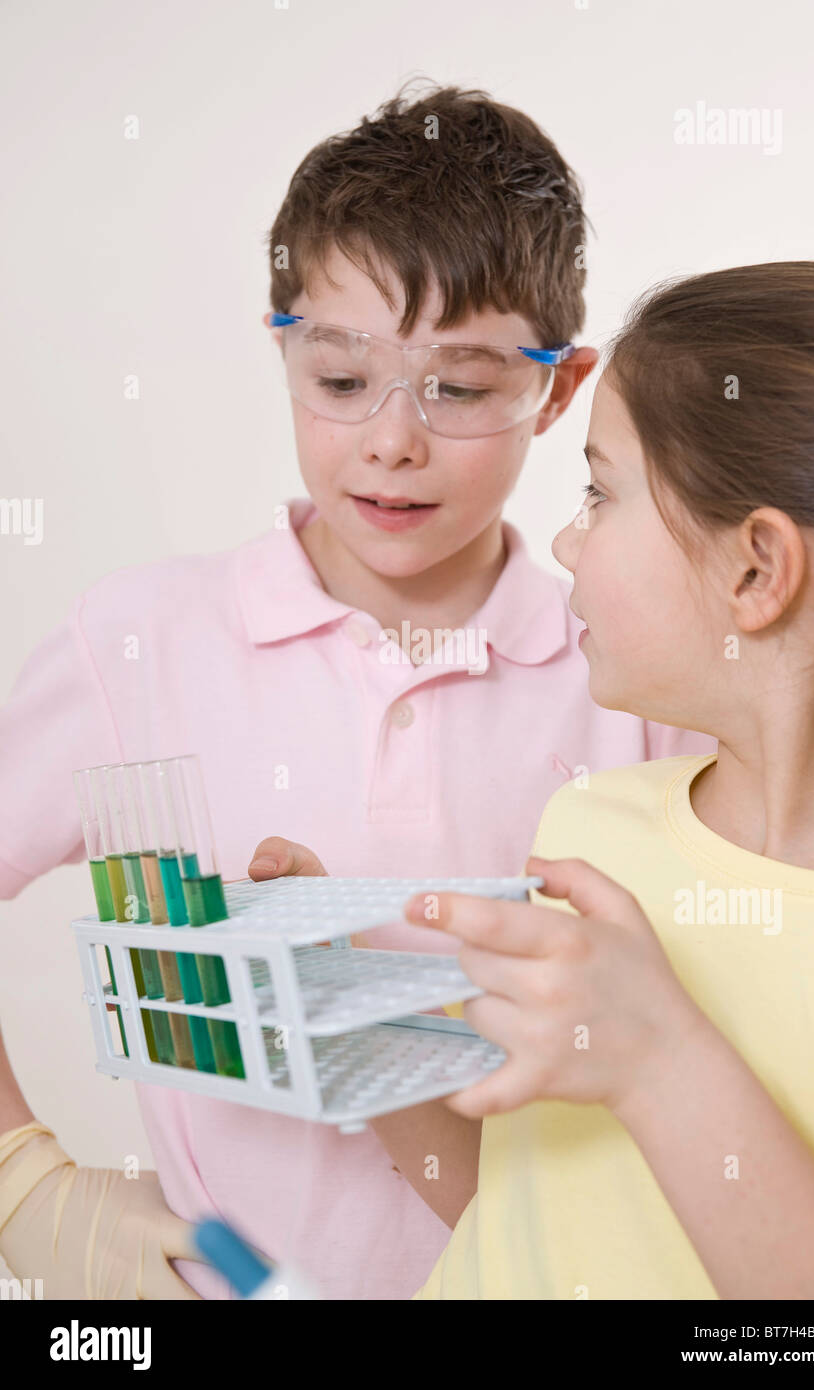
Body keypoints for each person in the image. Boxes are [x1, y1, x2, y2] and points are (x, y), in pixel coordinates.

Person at [0, 81, 713, 1301]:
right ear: (283, 349)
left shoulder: (631, 675)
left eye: (460, 385)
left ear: (556, 388)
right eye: (341, 381)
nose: (391, 440)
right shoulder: (141, 642)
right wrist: (24, 1181)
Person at [390, 258, 814, 1299]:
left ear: (754, 570)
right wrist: (354, 1023)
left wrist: (660, 1059)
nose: (563, 538)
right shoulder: (591, 829)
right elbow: (529, 1204)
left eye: (600, 491)